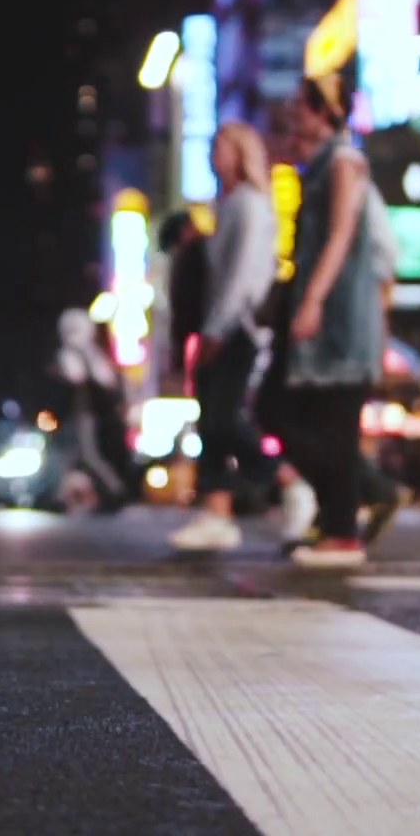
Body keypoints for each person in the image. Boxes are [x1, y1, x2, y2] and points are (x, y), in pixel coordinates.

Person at [280, 77, 387, 569]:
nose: (292, 112)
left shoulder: (344, 161)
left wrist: (314, 300)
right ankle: (350, 508)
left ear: (325, 111)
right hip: (326, 308)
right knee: (295, 414)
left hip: (342, 313)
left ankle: (344, 531)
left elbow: (342, 234)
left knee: (333, 422)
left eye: (301, 105)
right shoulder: (320, 164)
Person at [171, 124, 281, 552]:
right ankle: (216, 512)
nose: (214, 153)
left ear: (242, 153)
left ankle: (287, 481)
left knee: (223, 419)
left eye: (222, 145)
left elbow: (240, 277)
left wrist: (216, 330)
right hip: (223, 325)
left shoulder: (250, 205)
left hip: (240, 327)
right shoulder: (229, 205)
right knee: (211, 421)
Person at [55, 309, 129, 510]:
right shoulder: (94, 352)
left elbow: (76, 377)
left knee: (87, 455)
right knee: (71, 454)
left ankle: (116, 490)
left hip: (83, 413)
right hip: (87, 413)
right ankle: (62, 497)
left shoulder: (75, 353)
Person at [158, 211, 209, 394]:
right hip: (211, 337)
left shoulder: (193, 257)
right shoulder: (206, 250)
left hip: (211, 340)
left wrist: (178, 356)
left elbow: (183, 308)